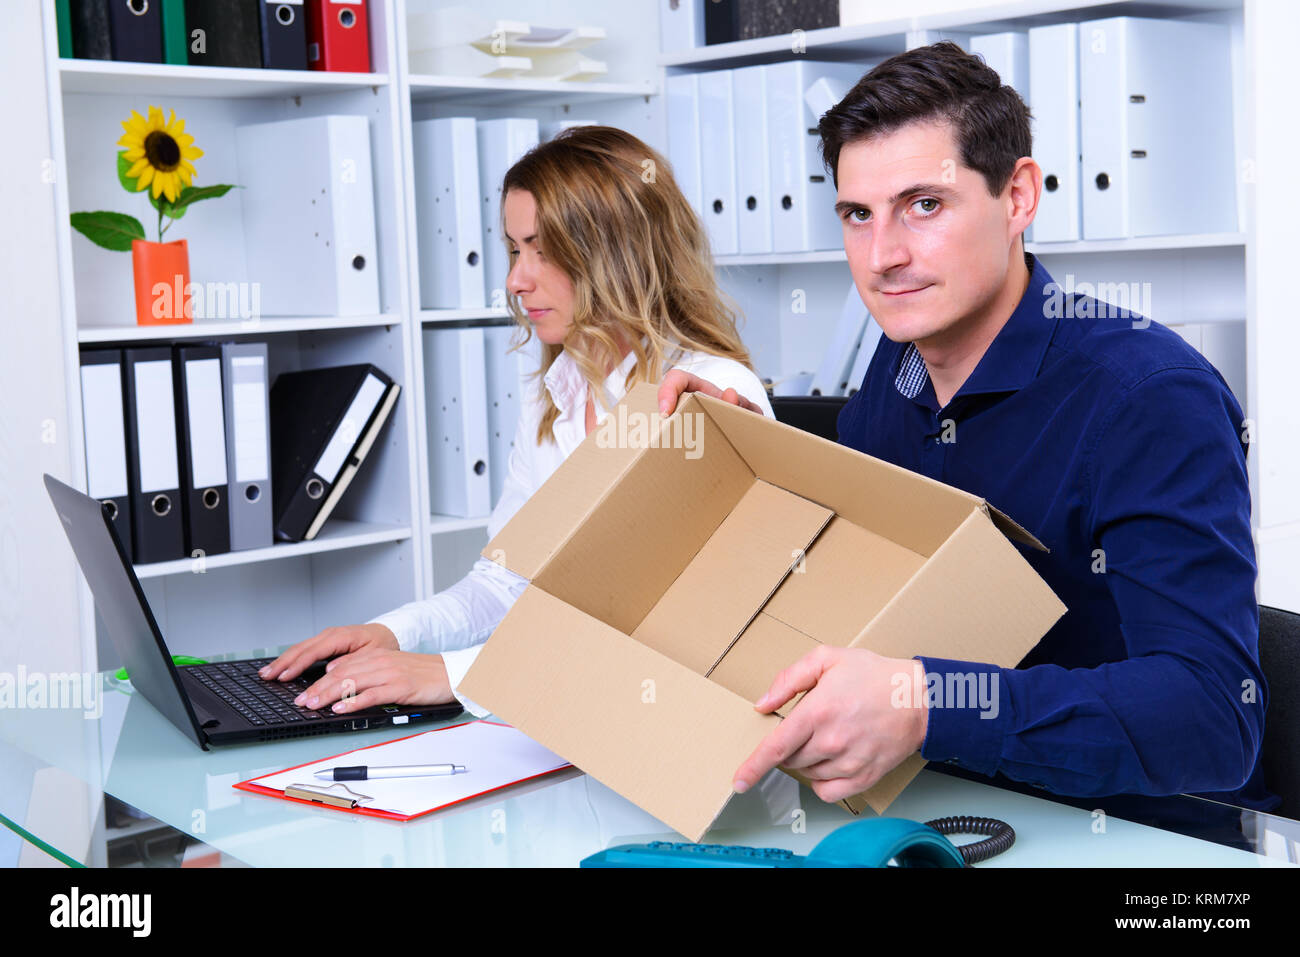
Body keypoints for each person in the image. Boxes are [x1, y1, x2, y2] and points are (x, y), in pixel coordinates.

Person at [662, 42, 1279, 814]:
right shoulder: (896, 370)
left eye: (925, 204)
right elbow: (870, 564)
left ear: (1019, 195)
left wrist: (930, 704)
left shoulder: (1152, 396)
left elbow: (1215, 714)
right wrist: (754, 455)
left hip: (1127, 836)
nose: (883, 256)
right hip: (935, 810)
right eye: (858, 215)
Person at [260, 125, 773, 715]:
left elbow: (656, 634)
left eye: (543, 250)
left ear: (617, 251)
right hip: (570, 723)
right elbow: (508, 580)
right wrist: (396, 634)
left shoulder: (707, 395)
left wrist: (452, 675)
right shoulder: (555, 393)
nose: (515, 280)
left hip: (667, 726)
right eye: (513, 249)